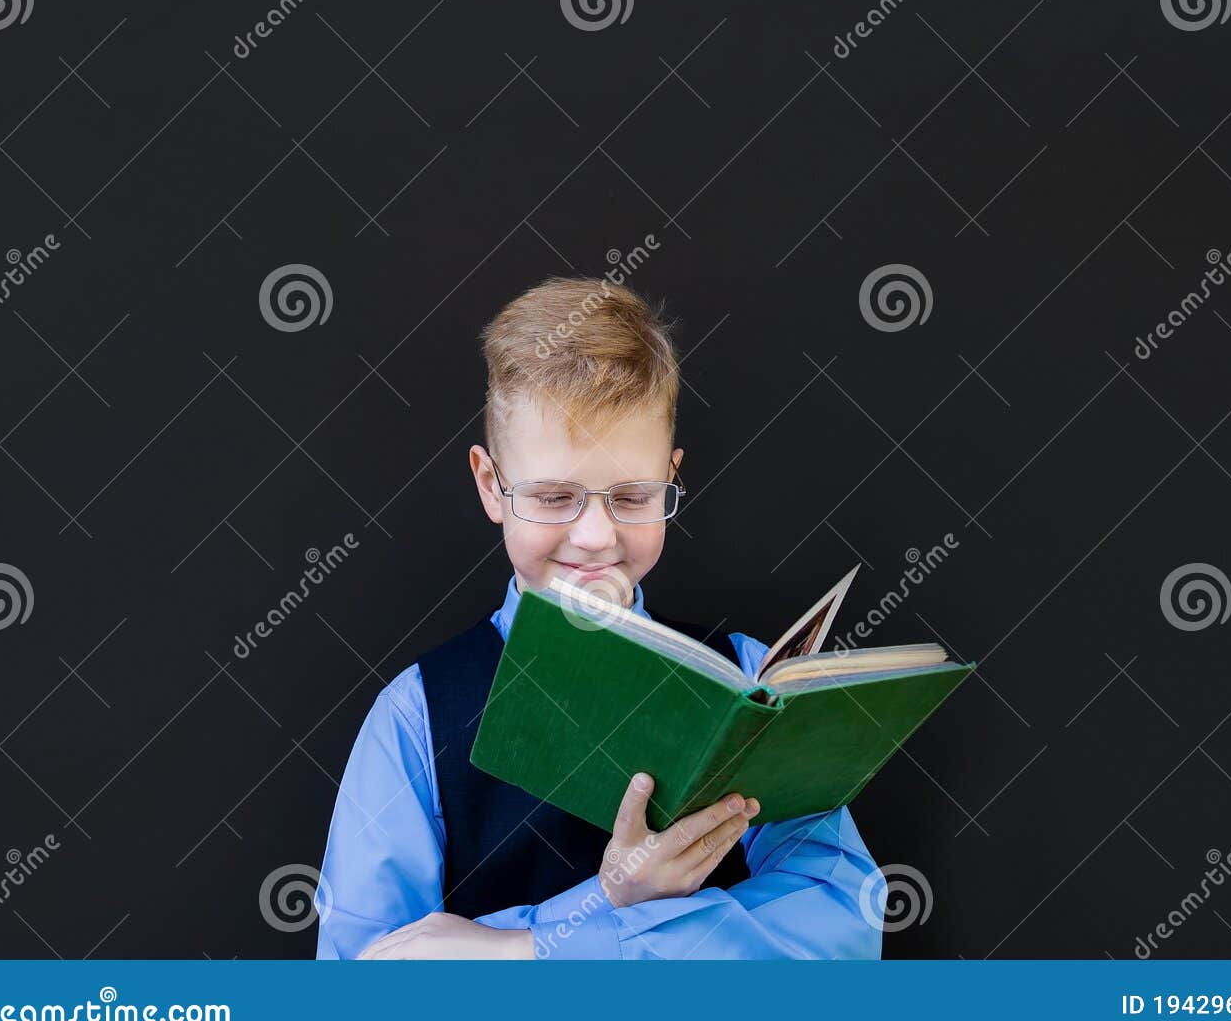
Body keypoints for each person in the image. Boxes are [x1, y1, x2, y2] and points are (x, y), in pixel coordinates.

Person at [315, 277, 882, 959]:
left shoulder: (755, 679)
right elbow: (367, 982)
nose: (594, 537)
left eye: (633, 496)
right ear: (491, 485)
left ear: (672, 475)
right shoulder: (414, 718)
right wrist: (608, 903)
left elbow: (841, 927)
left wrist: (523, 950)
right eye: (554, 496)